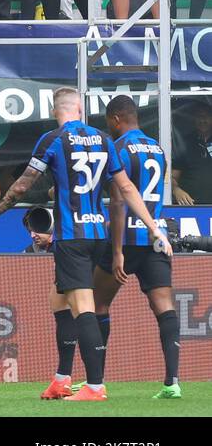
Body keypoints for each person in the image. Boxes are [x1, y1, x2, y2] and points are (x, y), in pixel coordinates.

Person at [0, 87, 171, 402]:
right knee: (58, 299)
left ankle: (94, 386)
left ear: (56, 111)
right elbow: (126, 188)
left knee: (83, 309)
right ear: (80, 108)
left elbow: (23, 185)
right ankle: (62, 379)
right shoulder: (105, 140)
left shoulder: (53, 139)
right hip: (98, 237)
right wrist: (153, 227)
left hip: (72, 238)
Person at [85, 94, 182, 398]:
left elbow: (118, 200)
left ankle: (96, 381)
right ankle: (172, 382)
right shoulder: (158, 149)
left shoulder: (119, 148)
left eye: (108, 122)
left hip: (126, 240)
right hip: (155, 237)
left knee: (97, 303)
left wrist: (116, 253)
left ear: (116, 119)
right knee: (164, 306)